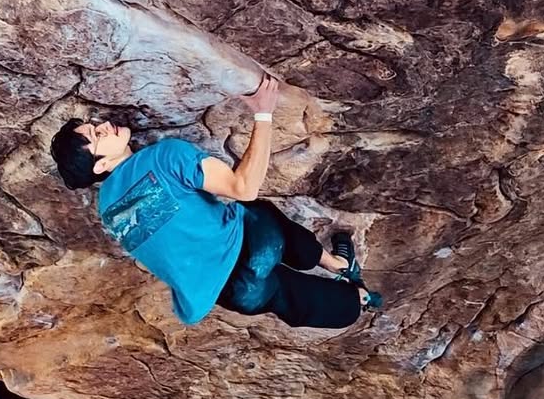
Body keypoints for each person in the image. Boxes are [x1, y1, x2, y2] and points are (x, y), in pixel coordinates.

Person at [49, 74, 382, 328]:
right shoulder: (163, 156)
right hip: (256, 248)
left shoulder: (108, 211)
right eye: (96, 137)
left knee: (288, 296)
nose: (103, 126)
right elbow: (243, 187)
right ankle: (337, 265)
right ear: (101, 165)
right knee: (258, 212)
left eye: (94, 126)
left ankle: (360, 299)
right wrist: (263, 114)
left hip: (232, 294)